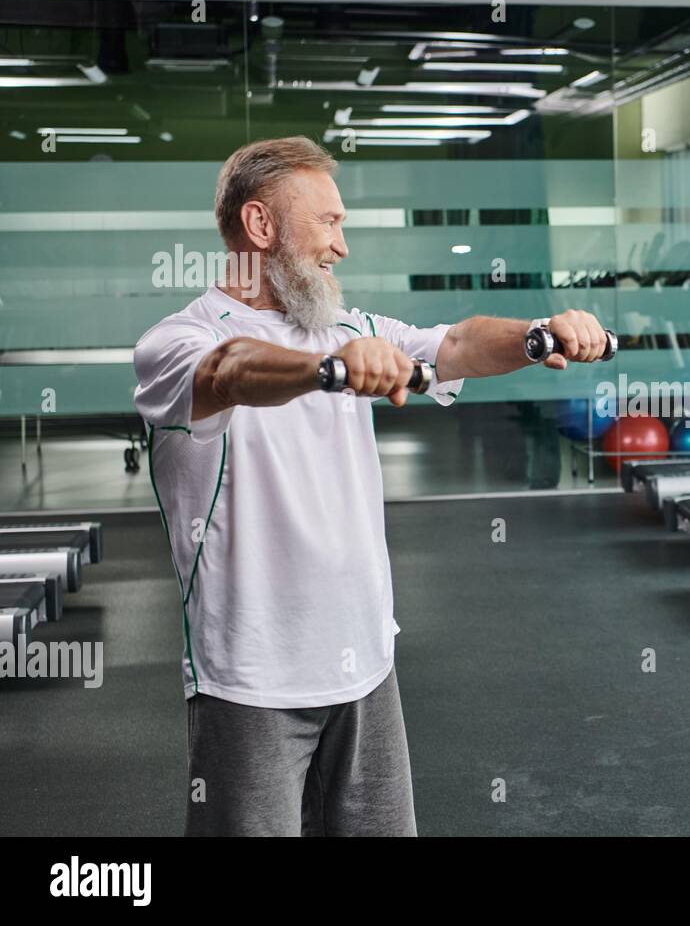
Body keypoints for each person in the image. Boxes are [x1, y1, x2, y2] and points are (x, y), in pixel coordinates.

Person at [133, 136, 611, 836]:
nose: (341, 246)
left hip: (366, 667)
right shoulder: (179, 340)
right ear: (261, 226)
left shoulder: (349, 326)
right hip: (250, 681)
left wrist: (538, 335)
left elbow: (454, 345)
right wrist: (329, 368)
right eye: (328, 222)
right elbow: (229, 371)